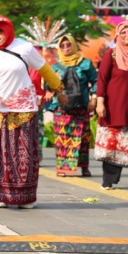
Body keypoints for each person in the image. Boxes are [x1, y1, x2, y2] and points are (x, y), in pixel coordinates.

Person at [0, 15, 66, 209]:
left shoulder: (25, 47)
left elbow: (45, 70)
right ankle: (1, 195)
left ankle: (25, 197)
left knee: (23, 155)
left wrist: (59, 90)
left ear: (8, 30)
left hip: (23, 110)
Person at [45, 35, 97, 177]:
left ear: (73, 45)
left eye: (68, 45)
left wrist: (94, 99)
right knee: (63, 137)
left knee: (83, 137)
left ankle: (84, 167)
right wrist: (50, 86)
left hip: (82, 106)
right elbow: (47, 85)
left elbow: (96, 81)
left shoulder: (86, 64)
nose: (66, 48)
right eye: (62, 46)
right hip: (62, 108)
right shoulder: (55, 67)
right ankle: (62, 168)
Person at [95, 21, 128, 189]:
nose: (127, 34)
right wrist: (100, 102)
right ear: (118, 35)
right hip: (115, 106)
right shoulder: (111, 54)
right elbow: (102, 80)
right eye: (123, 32)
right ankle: (108, 180)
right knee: (113, 144)